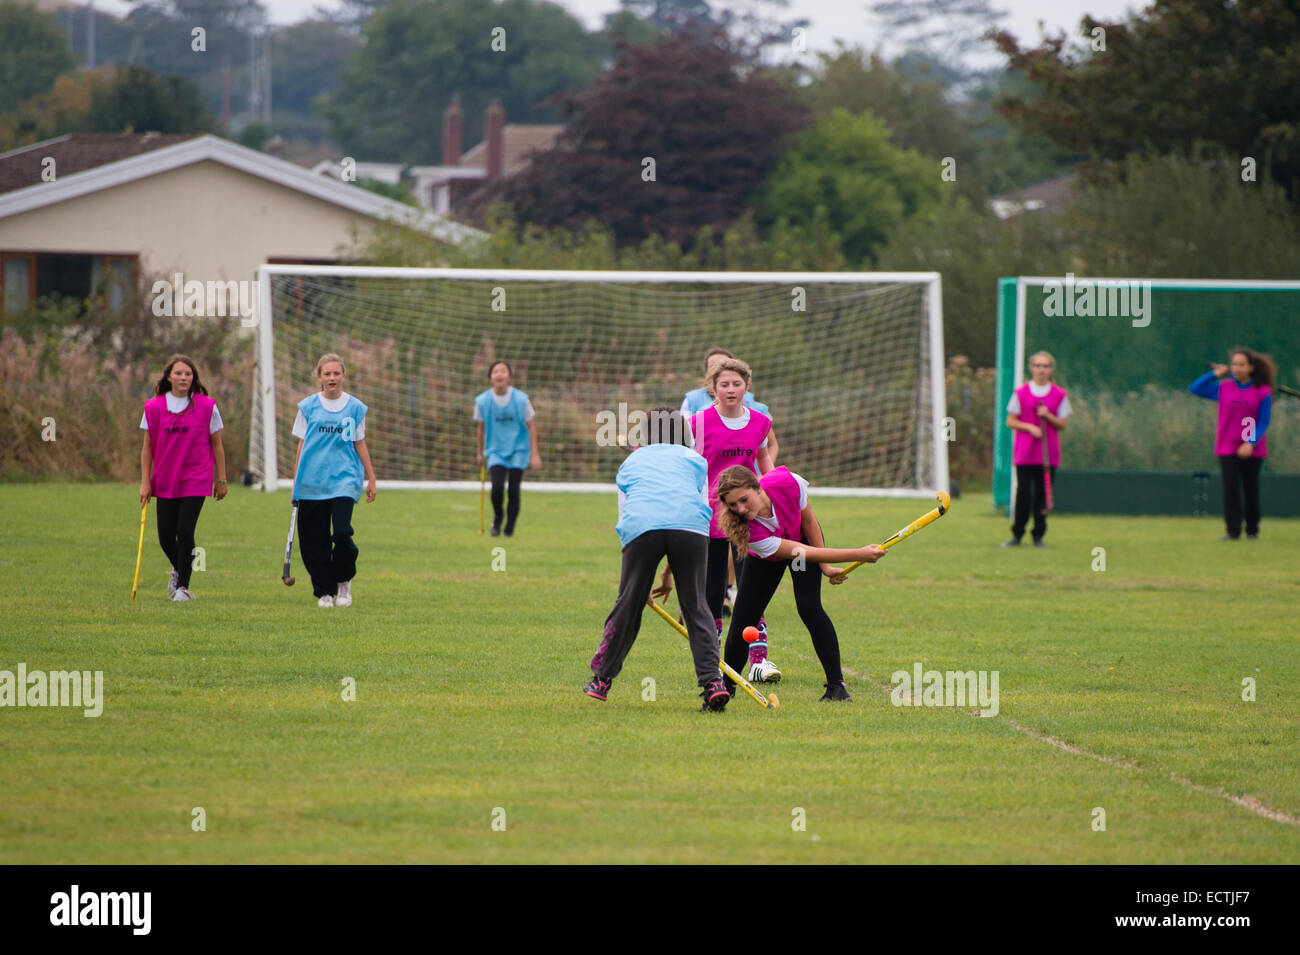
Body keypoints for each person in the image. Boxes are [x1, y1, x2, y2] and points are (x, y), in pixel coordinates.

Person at [585, 407, 730, 712]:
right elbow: (697, 510)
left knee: (628, 603)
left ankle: (602, 680)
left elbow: (627, 515)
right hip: (690, 529)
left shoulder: (632, 461)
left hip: (642, 528)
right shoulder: (696, 460)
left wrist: (636, 587)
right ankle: (713, 682)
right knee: (696, 605)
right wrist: (669, 571)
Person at [716, 465, 886, 702]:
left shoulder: (789, 482)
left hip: (800, 537)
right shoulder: (748, 532)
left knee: (810, 607)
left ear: (757, 486)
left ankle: (837, 688)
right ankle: (726, 688)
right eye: (733, 505)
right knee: (743, 622)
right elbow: (799, 552)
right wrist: (859, 553)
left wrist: (826, 567)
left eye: (744, 499)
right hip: (770, 557)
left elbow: (809, 522)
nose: (740, 509)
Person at [688, 357, 782, 683]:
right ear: (713, 388)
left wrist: (776, 492)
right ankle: (712, 665)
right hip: (710, 519)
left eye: (736, 383)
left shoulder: (760, 422)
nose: (730, 389)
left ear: (747, 387)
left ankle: (759, 661)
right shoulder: (698, 422)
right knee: (712, 593)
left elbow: (763, 460)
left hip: (747, 518)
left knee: (751, 591)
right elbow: (692, 468)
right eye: (724, 384)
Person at [139, 355, 227, 602]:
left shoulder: (207, 406)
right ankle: (178, 569)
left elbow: (217, 445)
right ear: (168, 376)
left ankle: (183, 588)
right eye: (178, 373)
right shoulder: (153, 407)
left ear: (194, 378)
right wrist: (145, 482)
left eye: (188, 374)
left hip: (196, 478)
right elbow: (147, 448)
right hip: (166, 479)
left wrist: (221, 479)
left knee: (185, 530)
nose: (184, 378)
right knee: (165, 536)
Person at [292, 353, 377, 608]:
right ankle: (324, 591)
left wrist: (371, 476)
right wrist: (297, 482)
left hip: (344, 479)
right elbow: (302, 445)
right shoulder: (307, 407)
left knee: (341, 533)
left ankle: (343, 580)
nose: (332, 378)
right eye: (327, 374)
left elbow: (359, 442)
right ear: (319, 377)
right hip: (312, 481)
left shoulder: (355, 408)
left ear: (343, 376)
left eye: (336, 373)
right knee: (313, 539)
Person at [1188, 348, 1275, 540]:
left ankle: (1252, 530)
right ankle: (1233, 531)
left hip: (1252, 449)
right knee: (1230, 490)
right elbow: (1194, 388)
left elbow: (1263, 421)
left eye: (1242, 364)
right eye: (1234, 364)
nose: (1237, 368)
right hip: (1227, 446)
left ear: (1251, 367)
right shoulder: (1224, 387)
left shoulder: (1262, 391)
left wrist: (1250, 442)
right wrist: (1214, 374)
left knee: (1250, 489)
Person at [1003, 351, 1070, 547]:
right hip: (1025, 453)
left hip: (1048, 455)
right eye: (1038, 366)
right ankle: (1017, 534)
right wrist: (1029, 427)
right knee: (1023, 493)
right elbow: (1010, 421)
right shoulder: (1021, 393)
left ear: (1051, 370)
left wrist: (1047, 415)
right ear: (1031, 368)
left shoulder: (1060, 395)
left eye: (1046, 366)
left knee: (1042, 496)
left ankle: (1038, 535)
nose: (1042, 370)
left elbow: (1062, 425)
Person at [474, 360, 542, 537]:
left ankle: (509, 528)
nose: (499, 374)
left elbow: (531, 427)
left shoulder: (521, 400)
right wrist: (479, 453)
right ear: (490, 377)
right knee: (496, 487)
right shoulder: (482, 401)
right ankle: (498, 518)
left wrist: (534, 454)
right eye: (495, 371)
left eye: (503, 371)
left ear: (509, 377)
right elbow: (480, 429)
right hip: (495, 450)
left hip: (518, 450)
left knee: (513, 490)